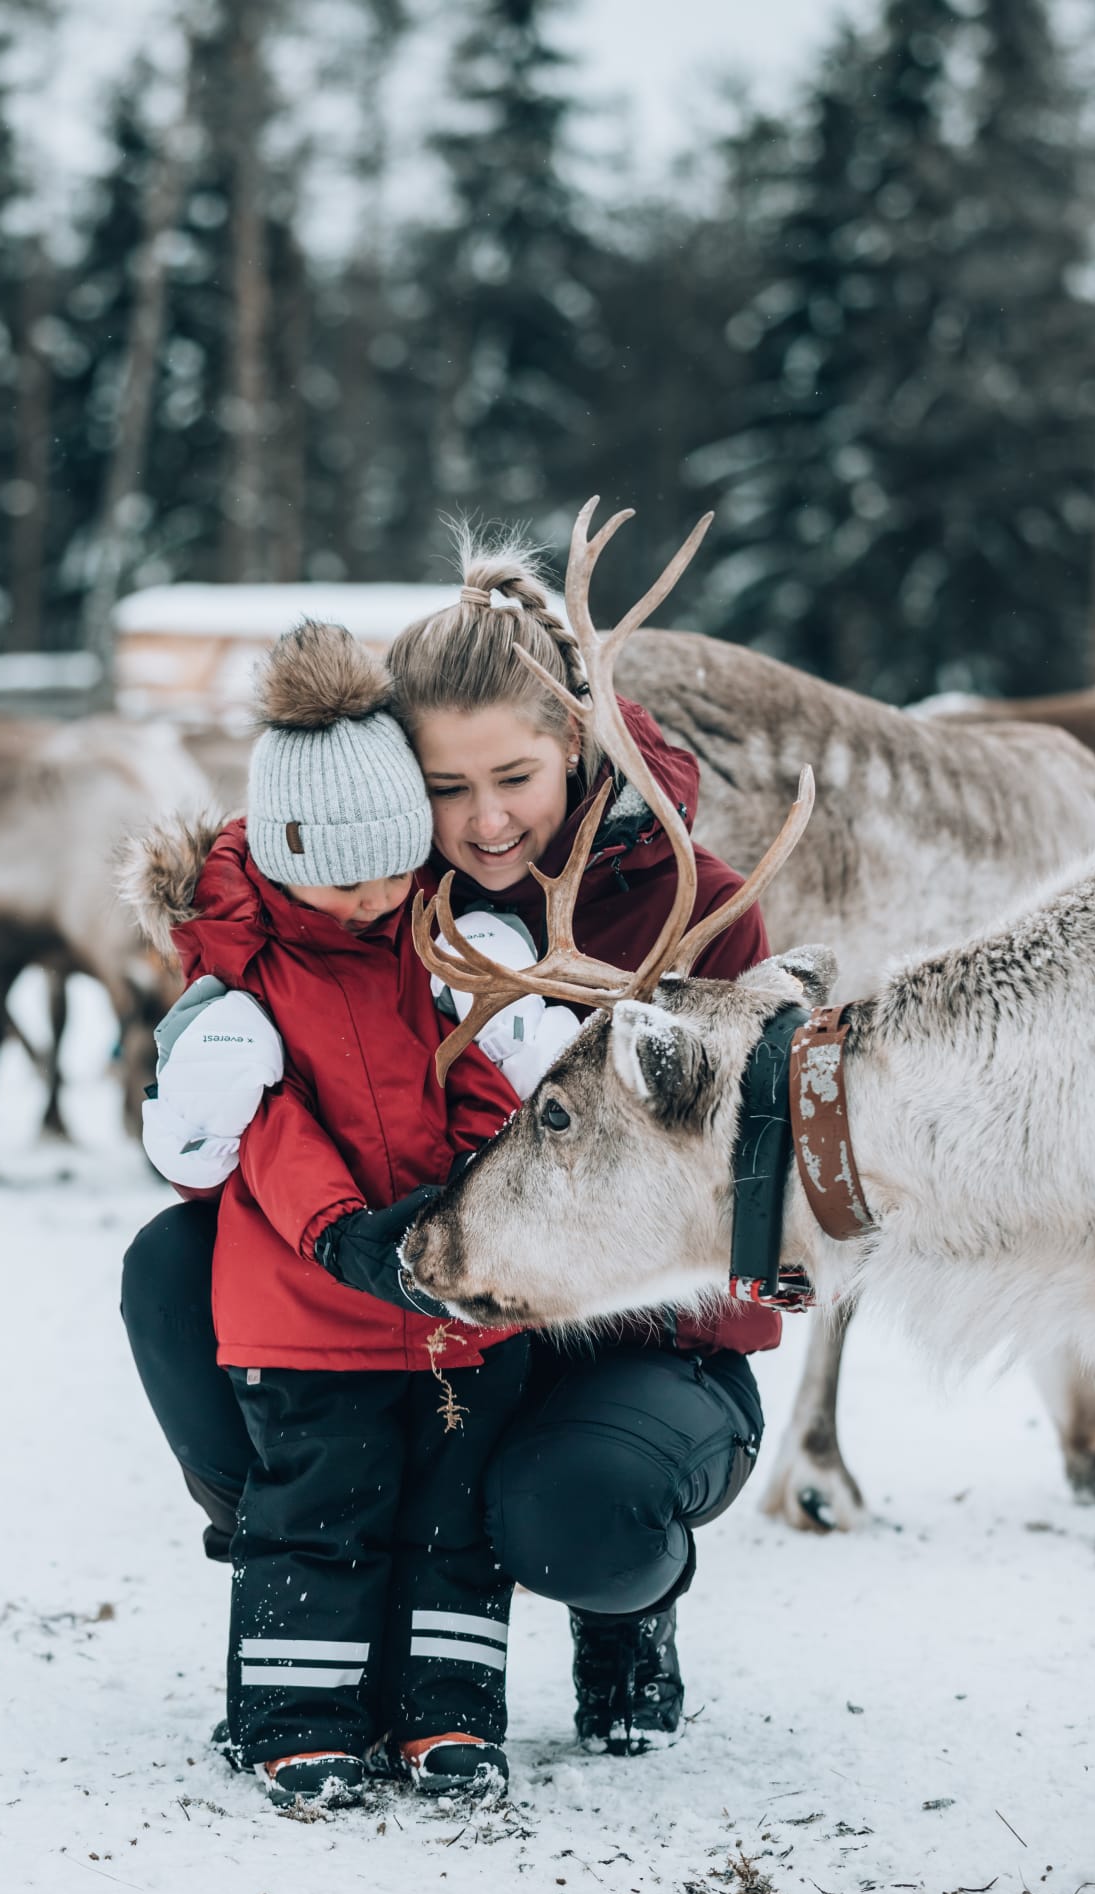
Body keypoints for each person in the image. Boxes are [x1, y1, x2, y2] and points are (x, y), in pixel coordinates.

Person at [121, 534, 780, 1763]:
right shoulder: (361, 891)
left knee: (561, 1510)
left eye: (516, 777)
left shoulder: (698, 906)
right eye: (441, 789)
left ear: (577, 741)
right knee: (173, 1264)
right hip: (432, 1288)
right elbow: (232, 1112)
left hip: (640, 1330)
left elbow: (747, 1187)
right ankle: (314, 1575)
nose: (483, 823)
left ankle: (622, 1610)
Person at [118, 618, 535, 1810]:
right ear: (287, 854)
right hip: (310, 1303)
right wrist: (346, 1230)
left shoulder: (435, 941)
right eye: (343, 873)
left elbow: (477, 1077)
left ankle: (444, 1719)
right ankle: (295, 1719)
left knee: (456, 1523)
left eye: (396, 864)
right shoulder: (249, 982)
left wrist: (469, 1198)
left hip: (454, 1303)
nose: (374, 894)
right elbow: (272, 1130)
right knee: (321, 1514)